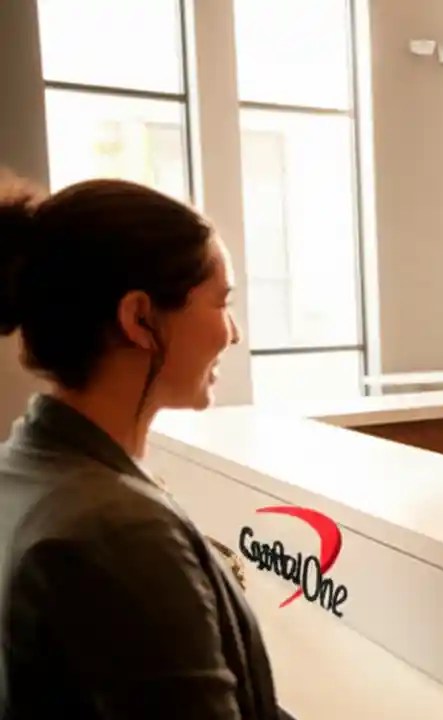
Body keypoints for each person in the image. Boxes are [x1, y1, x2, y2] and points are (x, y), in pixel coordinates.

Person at [0, 176, 282, 718]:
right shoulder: (118, 531)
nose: (234, 333)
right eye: (221, 302)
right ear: (139, 319)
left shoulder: (23, 470)